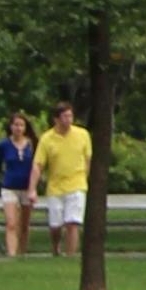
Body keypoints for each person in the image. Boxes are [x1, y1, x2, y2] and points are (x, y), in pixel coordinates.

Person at [32, 93, 92, 262]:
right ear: (56, 119)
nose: (68, 119)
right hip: (56, 187)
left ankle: (70, 256)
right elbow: (38, 165)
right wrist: (32, 188)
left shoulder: (82, 135)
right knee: (56, 225)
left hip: (77, 184)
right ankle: (55, 247)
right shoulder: (47, 139)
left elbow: (88, 159)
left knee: (72, 223)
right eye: (64, 116)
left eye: (70, 116)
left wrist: (84, 179)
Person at [0, 108, 36, 256]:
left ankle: (22, 252)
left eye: (21, 125)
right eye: (16, 125)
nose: (18, 128)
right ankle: (11, 254)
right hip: (9, 186)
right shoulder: (3, 145)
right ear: (10, 126)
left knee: (24, 224)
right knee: (11, 223)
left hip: (27, 187)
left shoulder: (32, 144)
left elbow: (37, 166)